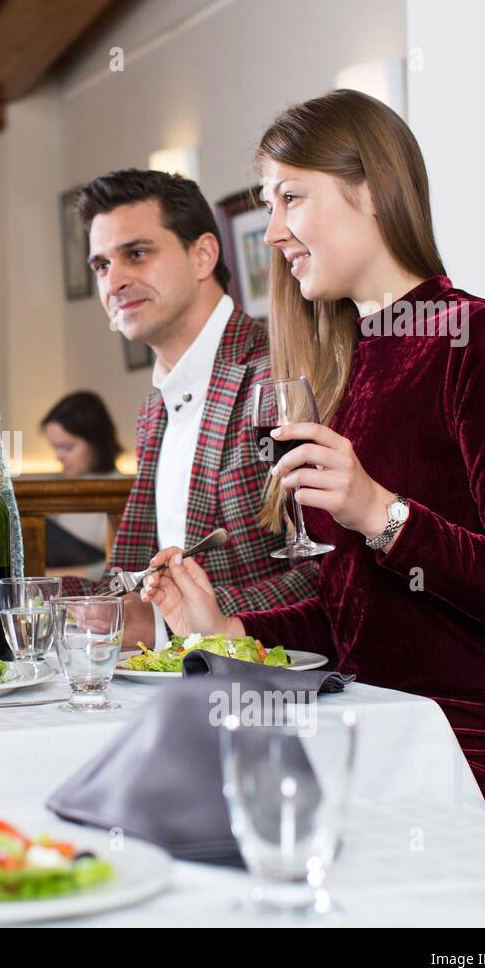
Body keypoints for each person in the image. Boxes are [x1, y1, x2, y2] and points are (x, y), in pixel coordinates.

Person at [142, 89, 485, 835]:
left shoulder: (481, 341)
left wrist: (385, 515)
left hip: (474, 759)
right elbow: (360, 615)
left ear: (370, 192)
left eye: (290, 198)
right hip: (369, 743)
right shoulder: (349, 363)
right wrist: (229, 624)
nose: (273, 231)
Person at [62, 169, 318, 648]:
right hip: (179, 682)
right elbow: (137, 578)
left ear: (202, 255)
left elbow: (327, 574)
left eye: (136, 253)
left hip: (280, 691)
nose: (114, 281)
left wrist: (171, 623)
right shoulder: (154, 409)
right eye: (101, 266)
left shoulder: (277, 377)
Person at [41, 391, 123, 577]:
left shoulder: (120, 492)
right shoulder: (64, 486)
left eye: (67, 447)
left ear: (96, 442)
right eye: (54, 447)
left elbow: (121, 568)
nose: (58, 456)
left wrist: (43, 575)